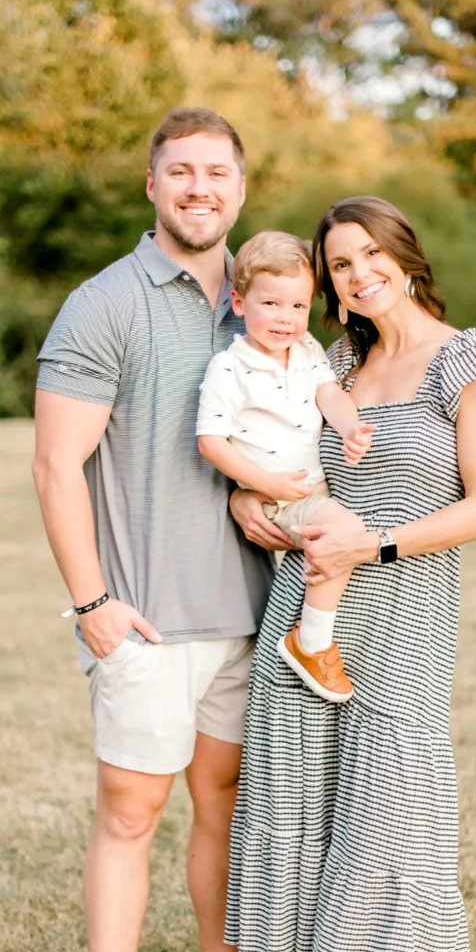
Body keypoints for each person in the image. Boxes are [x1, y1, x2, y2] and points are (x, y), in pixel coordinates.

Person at [224, 195, 476, 952]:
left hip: (402, 611)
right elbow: (266, 449)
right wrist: (252, 506)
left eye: (369, 256)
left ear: (403, 253)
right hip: (304, 607)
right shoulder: (330, 361)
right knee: (293, 802)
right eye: (339, 266)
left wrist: (377, 542)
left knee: (398, 806)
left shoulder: (469, 363)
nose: (358, 277)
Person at [33, 105, 303, 952]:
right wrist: (92, 603)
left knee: (220, 805)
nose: (198, 188)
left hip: (246, 610)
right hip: (141, 616)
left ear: (239, 187)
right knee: (129, 812)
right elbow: (56, 465)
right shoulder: (103, 304)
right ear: (152, 186)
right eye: (179, 172)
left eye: (216, 174)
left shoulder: (265, 302)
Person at [194, 232, 375, 702]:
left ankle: (313, 634)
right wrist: (265, 484)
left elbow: (330, 394)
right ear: (239, 301)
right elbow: (211, 442)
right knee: (344, 532)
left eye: (297, 307)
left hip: (309, 489)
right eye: (271, 303)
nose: (285, 318)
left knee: (340, 534)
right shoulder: (229, 369)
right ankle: (311, 640)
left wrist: (351, 427)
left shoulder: (309, 350)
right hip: (277, 498)